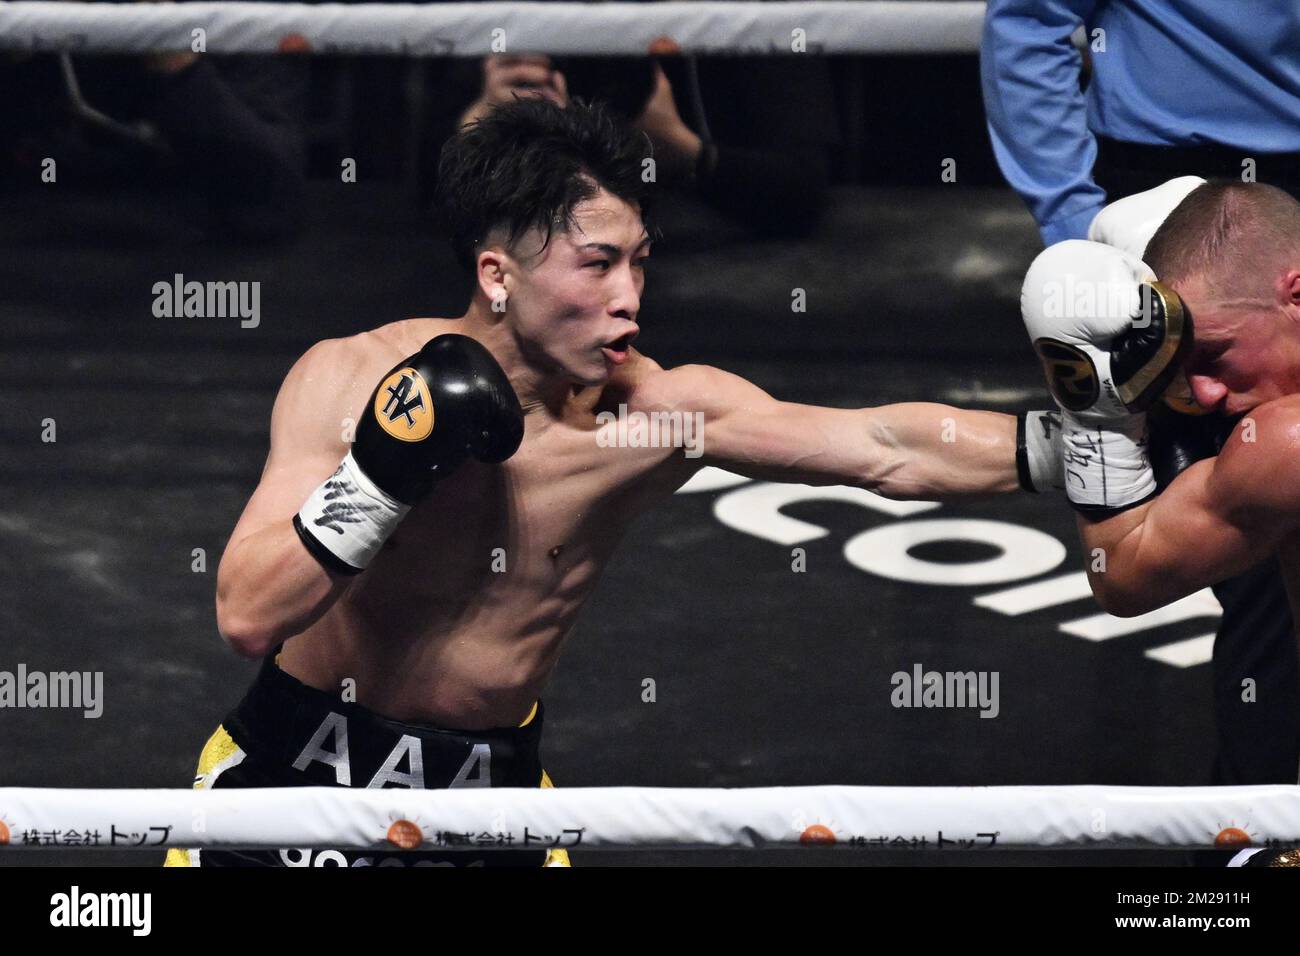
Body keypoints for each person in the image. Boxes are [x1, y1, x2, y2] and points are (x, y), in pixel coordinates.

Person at [169, 98, 1061, 867]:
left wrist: (1072, 449)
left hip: (487, 802)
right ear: (497, 276)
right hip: (292, 772)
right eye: (597, 264)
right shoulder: (348, 378)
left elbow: (882, 445)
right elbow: (248, 614)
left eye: (639, 261)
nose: (630, 294)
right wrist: (383, 470)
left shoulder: (651, 418)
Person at [1020, 183, 1300, 857]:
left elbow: (1124, 574)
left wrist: (1095, 404)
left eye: (1215, 354)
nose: (1203, 393)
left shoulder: (1287, 443)